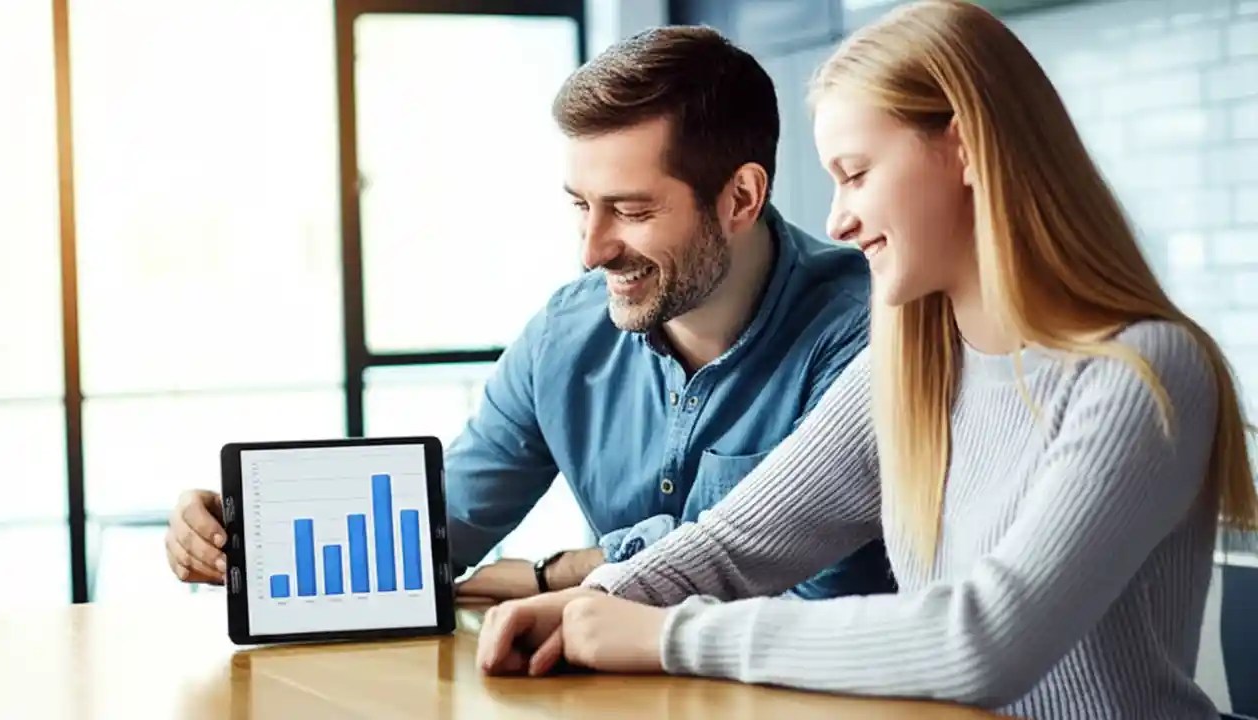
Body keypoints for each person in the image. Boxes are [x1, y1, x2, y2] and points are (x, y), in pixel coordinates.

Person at [474, 2, 1258, 718]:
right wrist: (594, 598)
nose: (838, 219)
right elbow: (736, 544)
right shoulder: (912, 360)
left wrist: (663, 636)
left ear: (965, 149)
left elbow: (983, 642)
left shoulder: (1145, 370)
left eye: (855, 174)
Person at [164, 26, 895, 602]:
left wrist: (562, 572)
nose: (592, 251)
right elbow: (436, 531)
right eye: (581, 206)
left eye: (632, 210)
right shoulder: (566, 335)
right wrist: (249, 541)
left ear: (740, 198)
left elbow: (808, 589)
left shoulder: (864, 334)